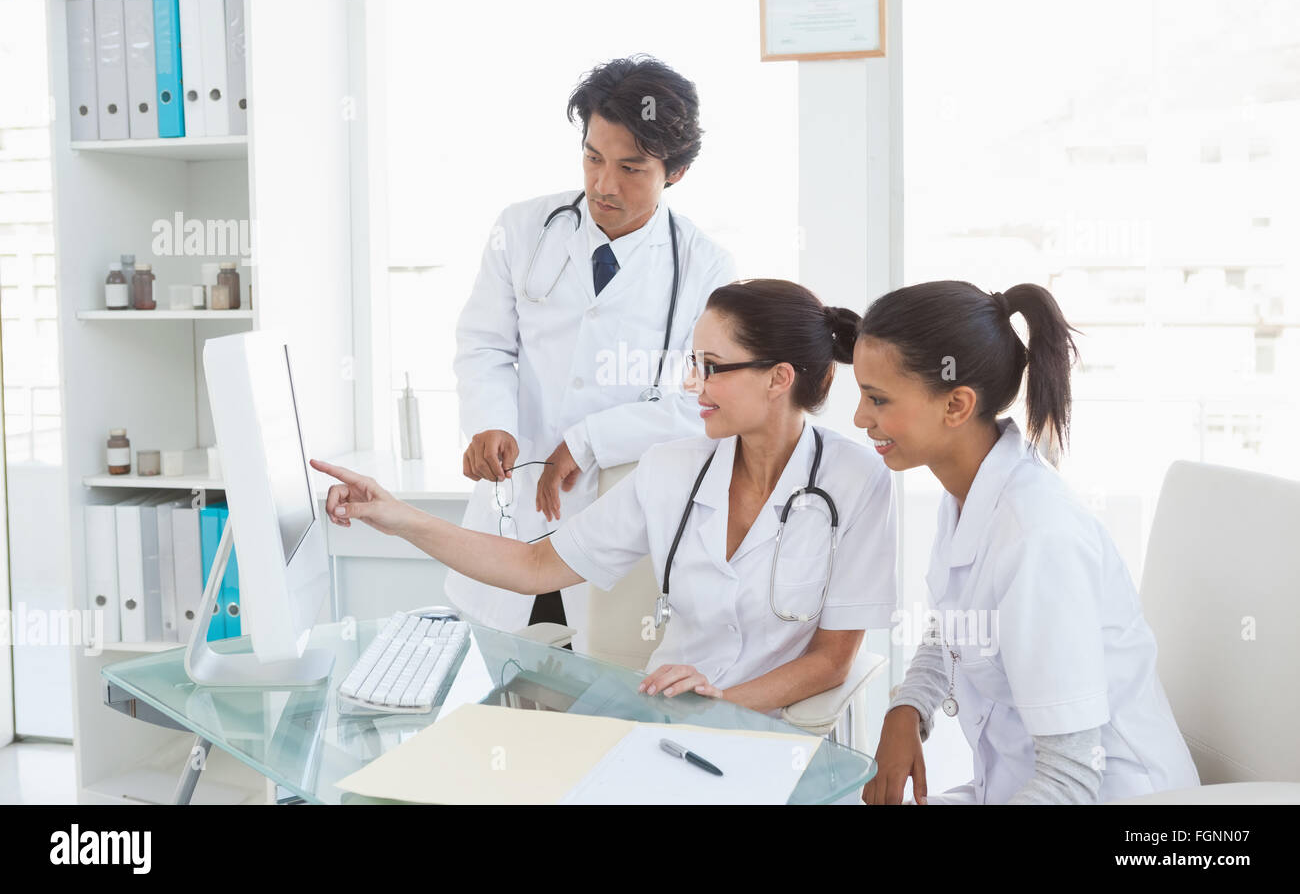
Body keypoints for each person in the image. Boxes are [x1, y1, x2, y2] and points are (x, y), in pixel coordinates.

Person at [313, 280, 896, 715]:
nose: (692, 384)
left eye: (711, 367)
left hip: (777, 732)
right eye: (692, 364)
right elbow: (533, 566)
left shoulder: (856, 482)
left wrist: (724, 702)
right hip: (666, 719)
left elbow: (830, 660)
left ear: (779, 379)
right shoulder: (671, 469)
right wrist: (396, 516)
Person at [852, 280, 1200, 804]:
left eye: (877, 398)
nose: (860, 417)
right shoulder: (969, 495)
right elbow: (956, 624)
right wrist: (908, 707)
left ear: (956, 405)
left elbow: (1072, 778)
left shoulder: (1040, 537)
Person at [449, 55, 736, 650]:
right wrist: (490, 422)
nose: (605, 184)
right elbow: (484, 344)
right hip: (514, 510)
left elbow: (702, 403)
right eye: (593, 157)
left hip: (617, 524)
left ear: (675, 172)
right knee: (502, 704)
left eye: (631, 167)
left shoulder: (705, 268)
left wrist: (585, 441)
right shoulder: (522, 229)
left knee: (601, 699)